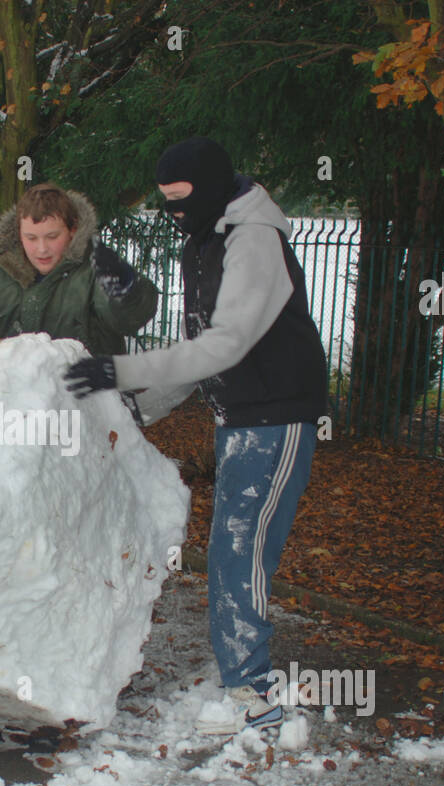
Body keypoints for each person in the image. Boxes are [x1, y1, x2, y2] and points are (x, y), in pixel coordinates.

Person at [64, 137, 327, 737]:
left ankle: (253, 690)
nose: (175, 212)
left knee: (243, 549)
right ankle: (241, 675)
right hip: (240, 416)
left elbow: (225, 344)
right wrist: (131, 407)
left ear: (211, 188)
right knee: (231, 550)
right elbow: (200, 356)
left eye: (183, 199)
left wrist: (119, 370)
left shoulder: (253, 240)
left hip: (277, 414)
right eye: (166, 202)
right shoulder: (206, 241)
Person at [0, 183, 157, 355]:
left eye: (52, 236)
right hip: (12, 409)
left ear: (73, 229)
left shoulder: (93, 271)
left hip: (87, 410)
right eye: (31, 238)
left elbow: (128, 316)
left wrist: (127, 293)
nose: (42, 249)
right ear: (18, 233)